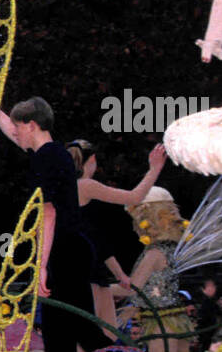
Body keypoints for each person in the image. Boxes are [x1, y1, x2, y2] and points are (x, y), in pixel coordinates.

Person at [0, 79, 159, 352]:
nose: (17, 136)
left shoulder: (48, 158)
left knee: (88, 334)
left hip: (65, 251)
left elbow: (50, 213)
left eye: (20, 128)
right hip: (70, 250)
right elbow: (12, 131)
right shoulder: (50, 152)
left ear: (33, 125)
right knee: (58, 335)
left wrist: (41, 266)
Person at [110, 187, 202, 352]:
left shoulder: (153, 253)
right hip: (177, 319)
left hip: (161, 324)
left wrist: (98, 289)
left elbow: (133, 288)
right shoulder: (172, 250)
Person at [66, 139, 167, 335]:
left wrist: (120, 274)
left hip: (90, 268)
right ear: (92, 160)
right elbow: (134, 197)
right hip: (83, 271)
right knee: (94, 337)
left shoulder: (70, 189)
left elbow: (96, 239)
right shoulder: (84, 186)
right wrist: (154, 169)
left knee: (107, 334)